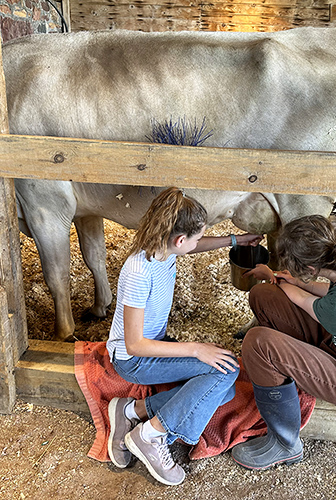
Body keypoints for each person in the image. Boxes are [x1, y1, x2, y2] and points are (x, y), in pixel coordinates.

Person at [106, 187, 262, 486]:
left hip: (154, 347)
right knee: (223, 374)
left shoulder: (160, 246)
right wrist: (195, 349)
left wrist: (236, 240)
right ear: (179, 240)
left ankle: (130, 410)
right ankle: (149, 434)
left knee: (221, 390)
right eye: (194, 238)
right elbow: (134, 344)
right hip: (134, 360)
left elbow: (196, 245)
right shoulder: (139, 271)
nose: (196, 243)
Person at [231, 214, 336, 470]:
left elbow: (302, 299)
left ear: (311, 269)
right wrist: (283, 278)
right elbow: (331, 294)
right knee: (262, 294)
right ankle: (283, 369)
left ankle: (285, 442)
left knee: (257, 342)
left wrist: (281, 279)